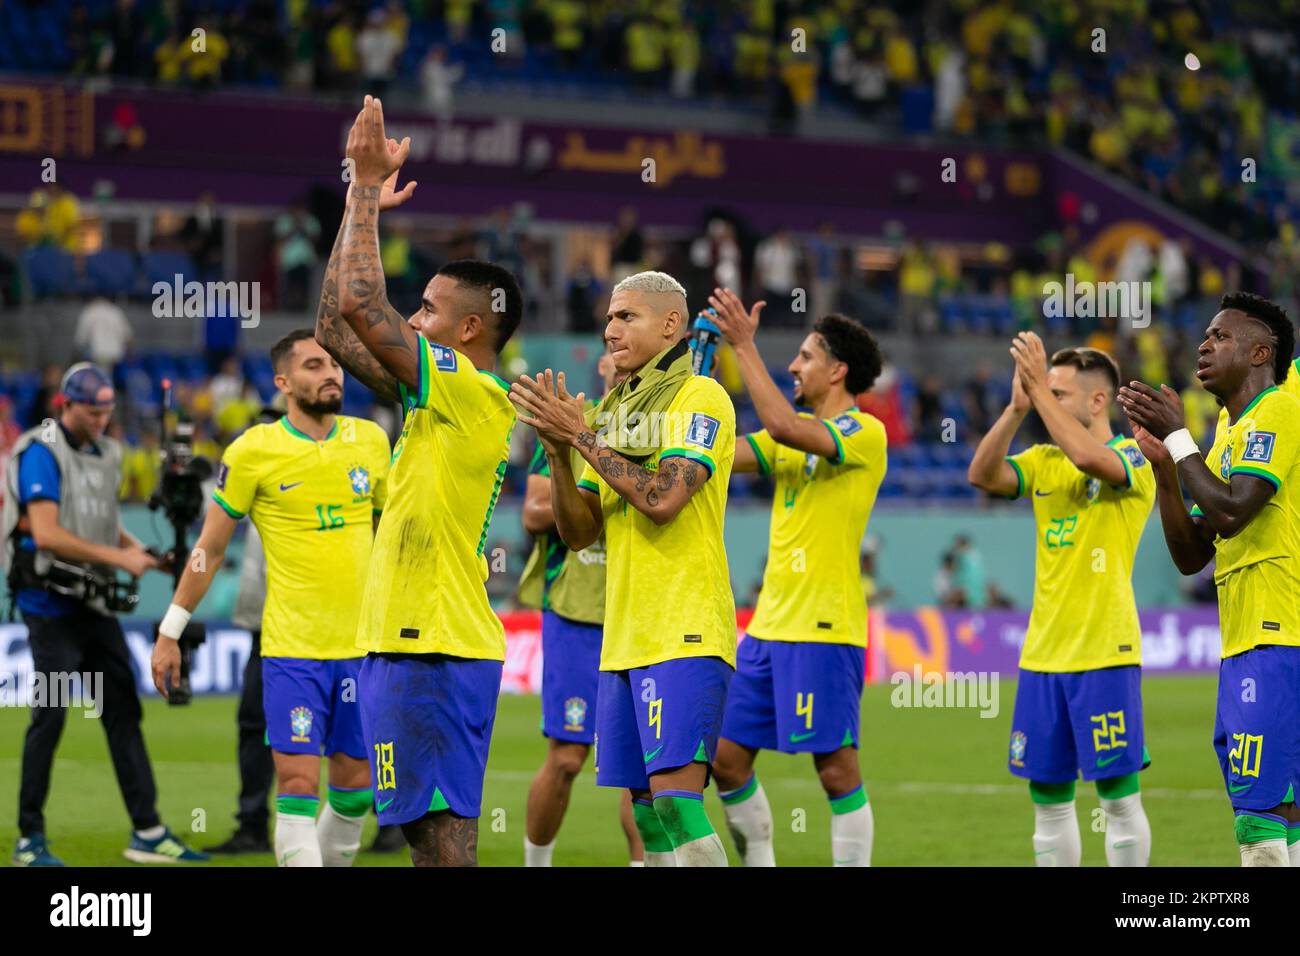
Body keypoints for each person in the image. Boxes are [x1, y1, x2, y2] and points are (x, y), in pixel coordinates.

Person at [321, 96, 523, 867]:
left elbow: (364, 306)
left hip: (433, 643)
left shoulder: (471, 392)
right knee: (425, 838)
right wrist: (353, 204)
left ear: (469, 331)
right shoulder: (431, 401)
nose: (415, 317)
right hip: (407, 639)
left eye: (430, 310)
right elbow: (334, 328)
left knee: (441, 844)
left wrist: (368, 187)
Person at [510, 269, 736, 867]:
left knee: (678, 804)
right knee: (645, 809)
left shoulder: (700, 397)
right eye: (609, 316)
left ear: (670, 324)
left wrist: (582, 437)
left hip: (684, 627)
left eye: (626, 316)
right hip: (625, 636)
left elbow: (663, 499)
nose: (610, 328)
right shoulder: (613, 409)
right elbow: (579, 530)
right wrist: (560, 454)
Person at [152, 331, 391, 867]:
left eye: (334, 364)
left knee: (354, 794)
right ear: (284, 382)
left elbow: (393, 529)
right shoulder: (254, 451)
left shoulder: (371, 440)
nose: (331, 373)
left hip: (363, 648)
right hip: (293, 649)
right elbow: (208, 550)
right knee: (300, 786)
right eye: (313, 365)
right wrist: (170, 630)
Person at [1119, 292, 1300, 867]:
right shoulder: (1227, 430)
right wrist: (1167, 475)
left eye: (1221, 336)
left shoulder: (1279, 410)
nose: (1203, 343)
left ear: (1260, 353)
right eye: (1205, 335)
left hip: (1278, 636)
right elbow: (1192, 554)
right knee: (1283, 812)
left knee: (1258, 822)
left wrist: (1178, 439)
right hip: (1247, 640)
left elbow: (1230, 510)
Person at [706, 290, 886, 867]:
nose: (792, 366)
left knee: (835, 770)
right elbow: (714, 452)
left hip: (824, 629)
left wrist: (743, 345)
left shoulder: (865, 433)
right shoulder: (792, 433)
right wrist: (689, 388)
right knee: (727, 760)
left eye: (805, 356)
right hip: (766, 629)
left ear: (838, 371)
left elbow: (782, 427)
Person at [3, 364, 205, 866]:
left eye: (107, 411)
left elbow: (105, 523)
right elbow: (46, 532)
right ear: (64, 405)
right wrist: (122, 561)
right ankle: (29, 838)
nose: (101, 420)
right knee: (49, 716)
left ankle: (148, 831)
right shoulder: (40, 451)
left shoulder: (107, 453)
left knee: (122, 712)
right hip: (48, 605)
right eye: (91, 411)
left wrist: (151, 559)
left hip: (92, 604)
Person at [968, 333, 1155, 867]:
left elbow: (1087, 456)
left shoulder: (1133, 458)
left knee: (1118, 799)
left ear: (1098, 401)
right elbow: (981, 474)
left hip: (1104, 652)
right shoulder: (1043, 461)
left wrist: (1036, 393)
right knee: (1048, 801)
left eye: (1059, 392)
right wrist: (1014, 407)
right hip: (1043, 657)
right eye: (1042, 388)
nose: (1043, 398)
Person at [519, 348, 643, 866]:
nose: (621, 368)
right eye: (613, 358)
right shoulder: (569, 422)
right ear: (600, 368)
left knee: (642, 768)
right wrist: (605, 492)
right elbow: (531, 511)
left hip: (638, 613)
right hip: (575, 613)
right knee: (568, 758)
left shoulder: (659, 428)